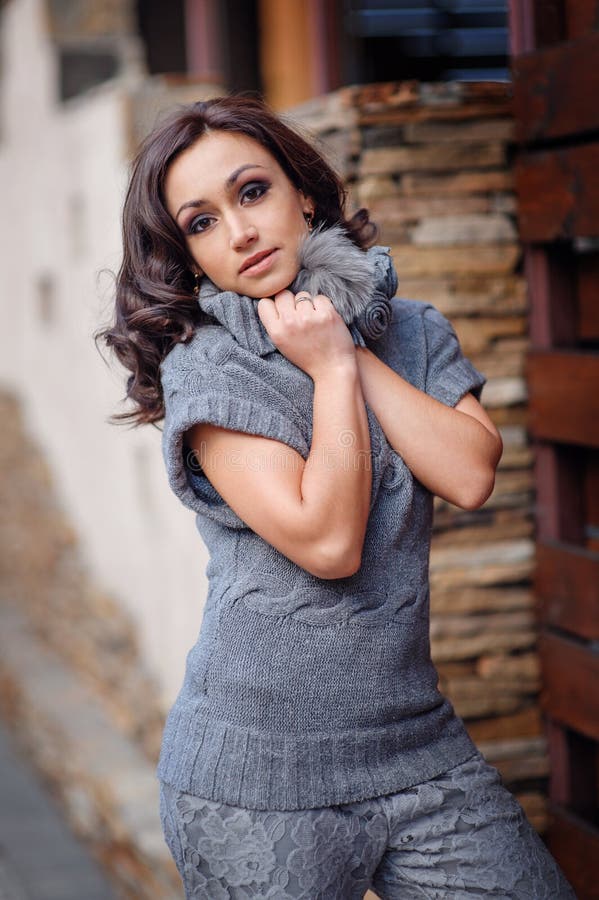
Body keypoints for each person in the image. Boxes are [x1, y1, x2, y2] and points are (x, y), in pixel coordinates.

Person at [98, 95, 576, 899]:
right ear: (187, 256)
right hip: (256, 772)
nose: (240, 231)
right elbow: (327, 542)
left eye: (251, 193)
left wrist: (345, 353)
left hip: (416, 744)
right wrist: (325, 374)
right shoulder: (208, 368)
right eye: (201, 222)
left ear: (303, 195)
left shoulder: (412, 327)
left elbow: (468, 473)